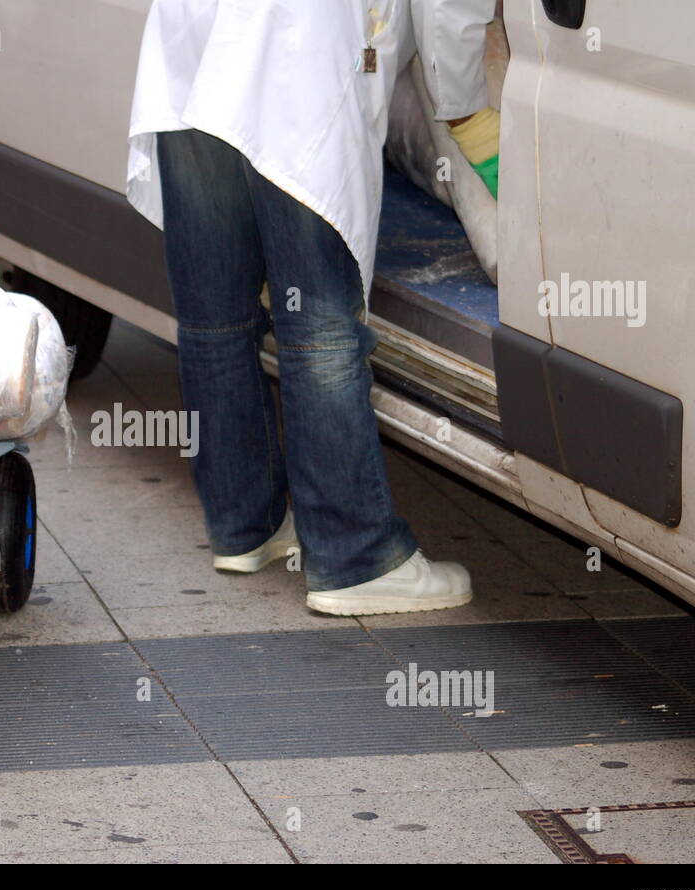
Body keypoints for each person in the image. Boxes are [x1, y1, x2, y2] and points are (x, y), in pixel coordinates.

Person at [126, 0, 500, 615]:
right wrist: (464, 107)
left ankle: (245, 526)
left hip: (193, 41)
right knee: (320, 329)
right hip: (301, 51)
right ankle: (355, 558)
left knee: (214, 318)